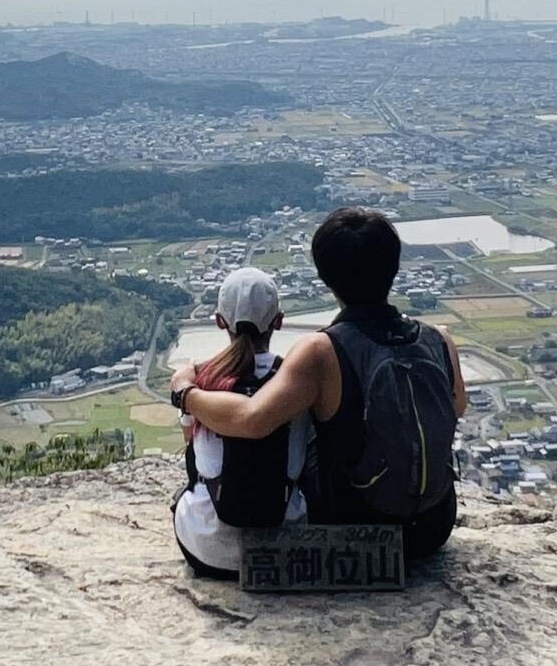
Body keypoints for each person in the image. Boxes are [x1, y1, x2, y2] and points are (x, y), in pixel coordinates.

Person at [170, 208, 466, 563]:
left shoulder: (322, 351)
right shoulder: (440, 340)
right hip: (433, 527)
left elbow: (251, 420)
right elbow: (454, 409)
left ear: (326, 277)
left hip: (355, 531)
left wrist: (186, 393)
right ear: (393, 267)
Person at [172, 266, 310, 582]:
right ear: (279, 320)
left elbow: (189, 435)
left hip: (208, 552)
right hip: (286, 546)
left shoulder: (200, 380)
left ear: (220, 321)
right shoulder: (296, 381)